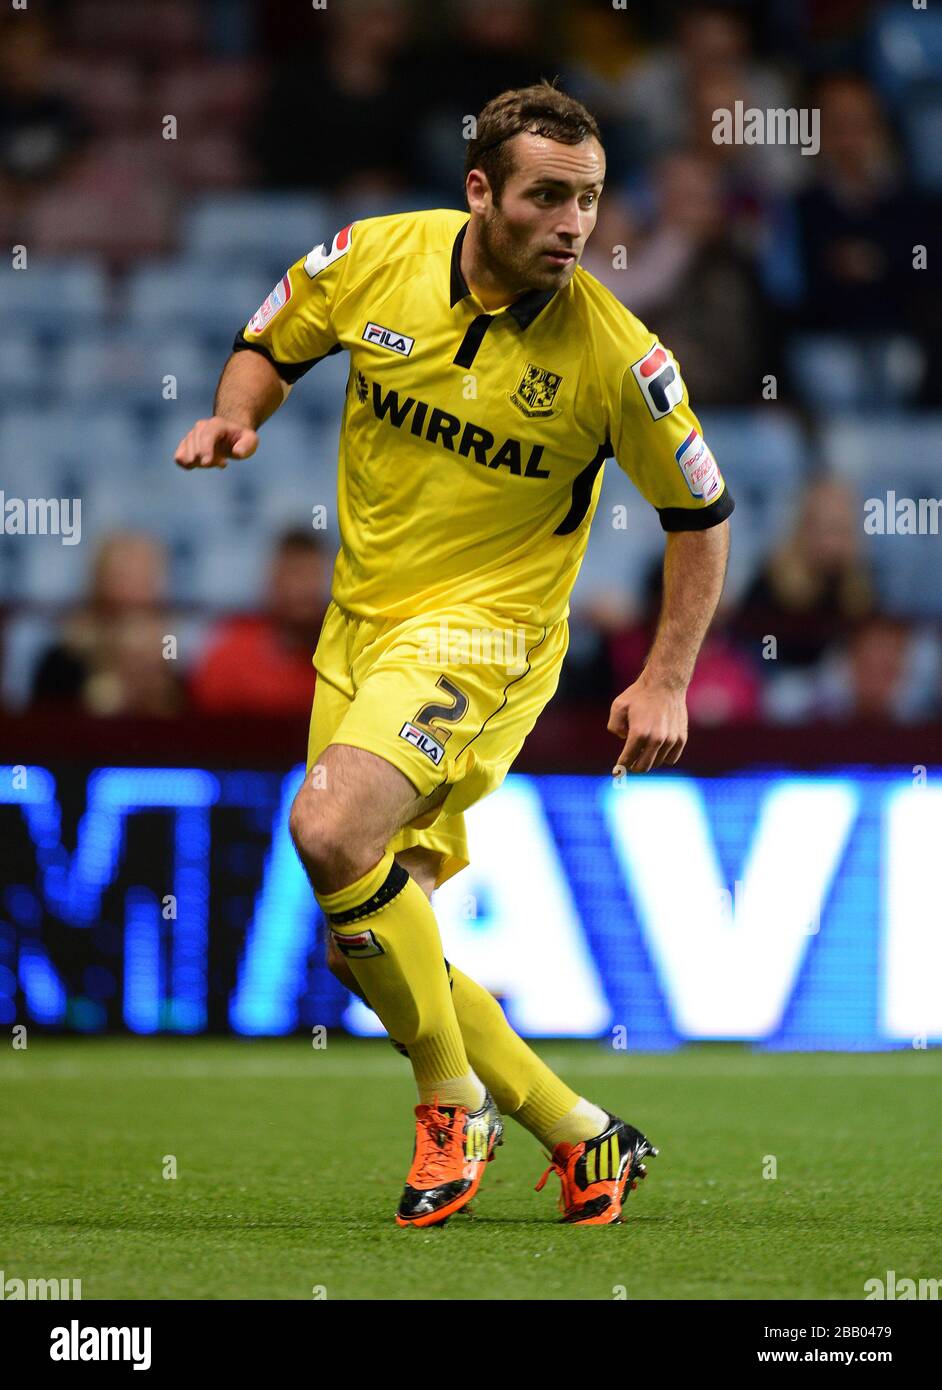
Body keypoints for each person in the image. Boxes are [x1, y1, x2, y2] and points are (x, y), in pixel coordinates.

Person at [174, 82, 734, 1228]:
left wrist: (667, 672)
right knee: (371, 943)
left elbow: (702, 513)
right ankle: (585, 1135)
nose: (575, 224)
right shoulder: (376, 260)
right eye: (548, 197)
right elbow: (271, 338)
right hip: (363, 627)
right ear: (481, 192)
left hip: (488, 637)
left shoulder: (617, 359)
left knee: (330, 829)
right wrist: (242, 415)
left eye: (588, 199)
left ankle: (454, 1100)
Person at [190, 529, 329, 716]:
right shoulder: (230, 656)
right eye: (296, 574)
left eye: (313, 575)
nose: (304, 587)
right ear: (273, 580)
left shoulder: (344, 660)